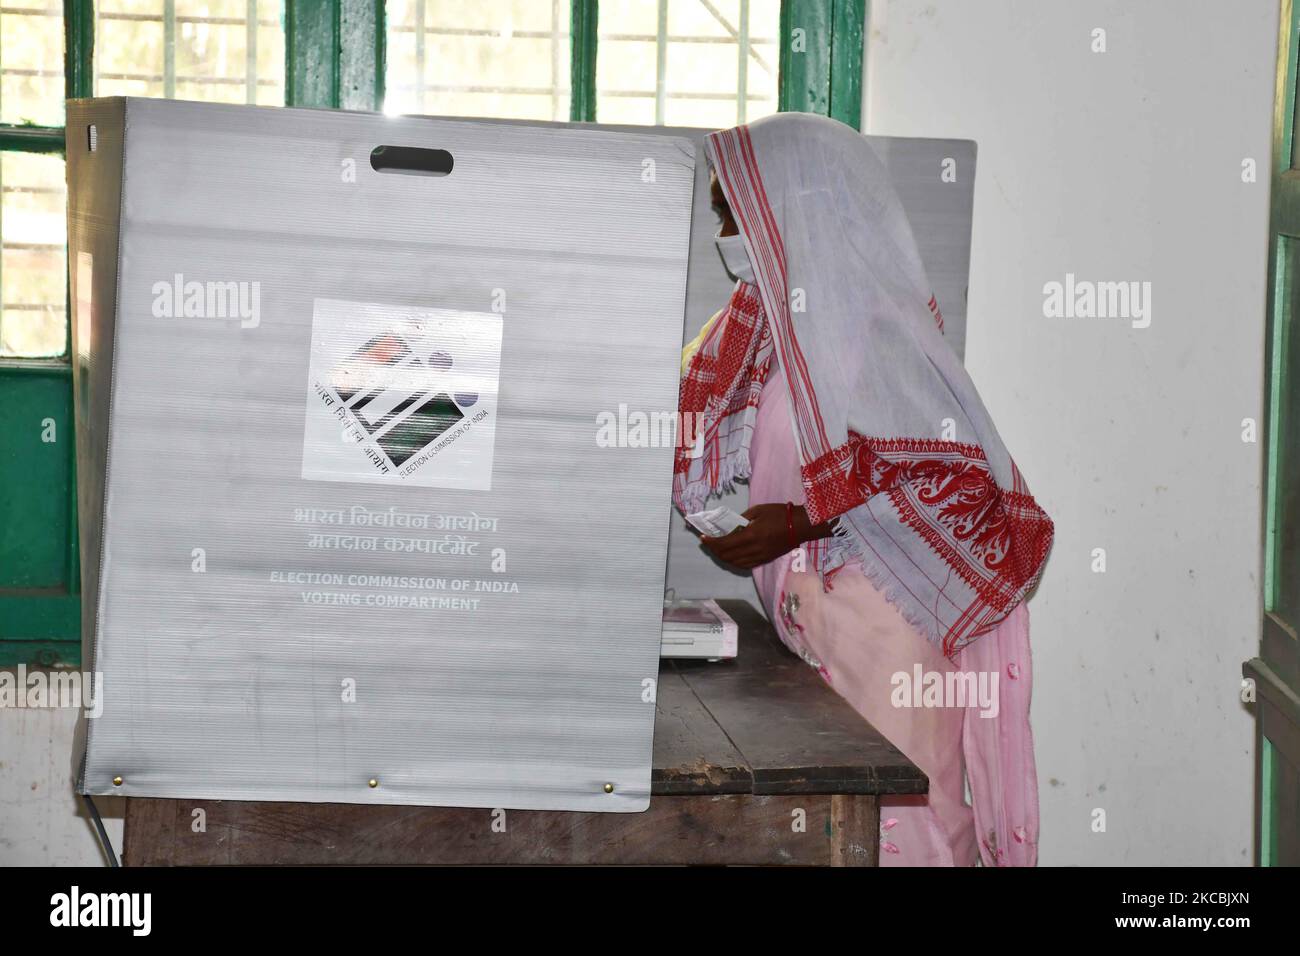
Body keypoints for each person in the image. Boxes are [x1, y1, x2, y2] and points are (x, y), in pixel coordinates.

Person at [676, 112, 1054, 866]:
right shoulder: (774, 332)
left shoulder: (876, 331)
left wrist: (801, 523)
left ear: (799, 210)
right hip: (814, 634)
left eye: (734, 211)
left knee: (901, 833)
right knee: (832, 838)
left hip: (888, 642)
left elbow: (954, 478)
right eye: (723, 210)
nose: (725, 229)